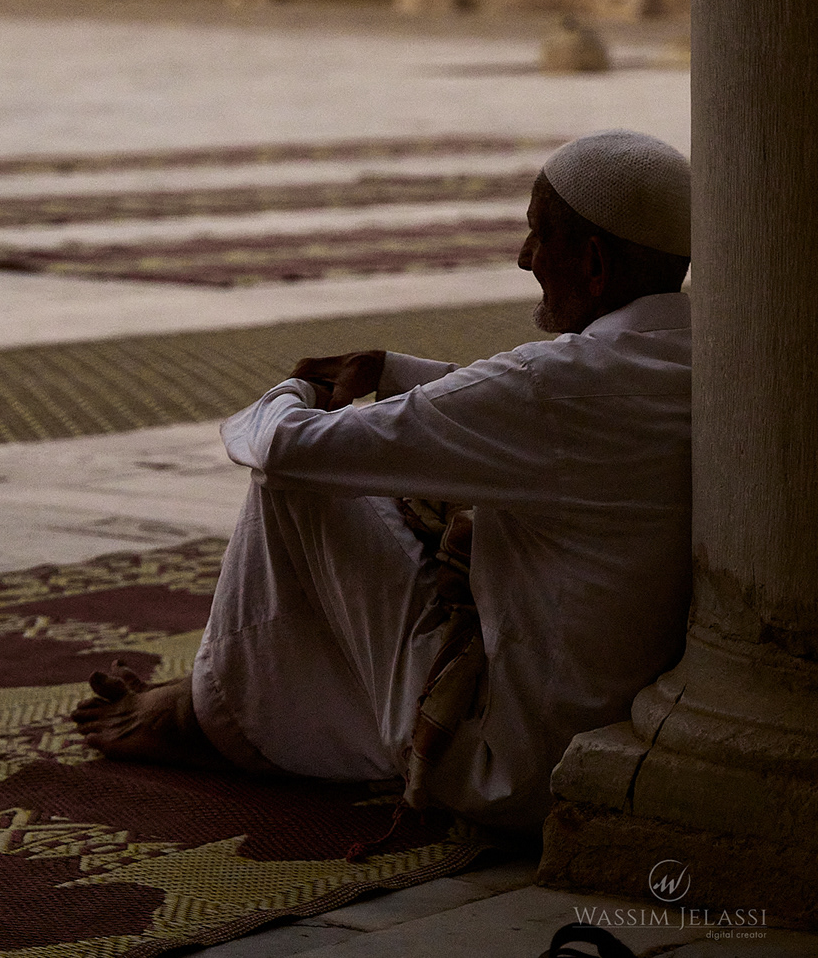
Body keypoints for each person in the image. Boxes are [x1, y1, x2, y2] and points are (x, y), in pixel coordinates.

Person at [73, 129, 692, 829]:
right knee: (407, 499)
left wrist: (294, 391)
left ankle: (207, 716)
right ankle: (247, 704)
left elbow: (286, 448)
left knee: (305, 483)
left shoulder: (555, 387)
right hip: (613, 730)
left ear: (594, 262)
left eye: (535, 237)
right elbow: (532, 418)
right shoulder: (705, 354)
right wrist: (394, 371)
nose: (523, 259)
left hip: (509, 766)